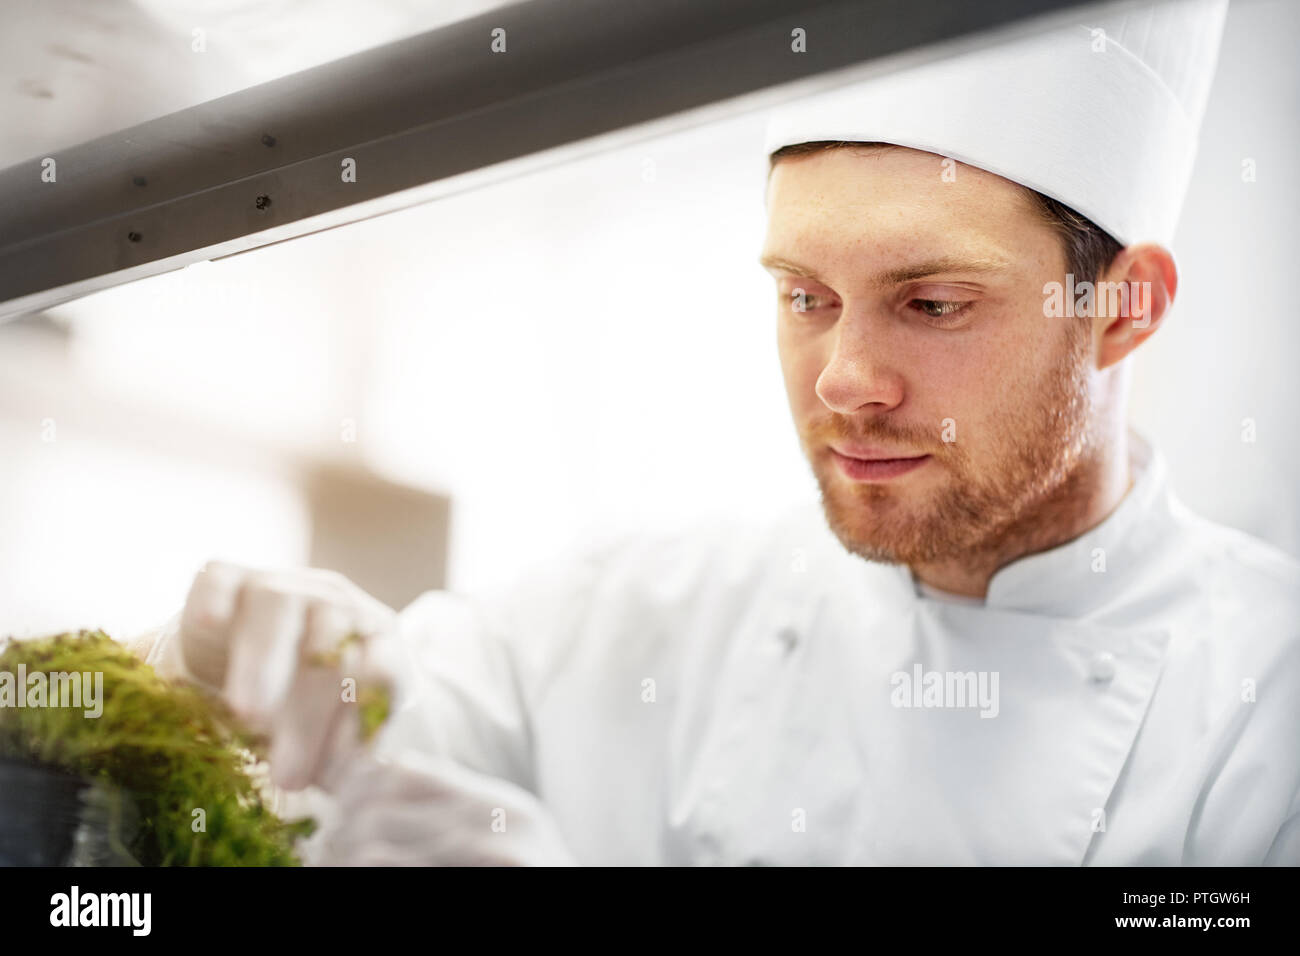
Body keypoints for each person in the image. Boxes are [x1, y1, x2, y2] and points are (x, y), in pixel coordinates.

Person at [134, 0, 1300, 865]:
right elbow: (254, 775)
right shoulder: (635, 622)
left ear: (1122, 309)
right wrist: (209, 669)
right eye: (804, 296)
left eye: (933, 302)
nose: (843, 379)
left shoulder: (1266, 706)